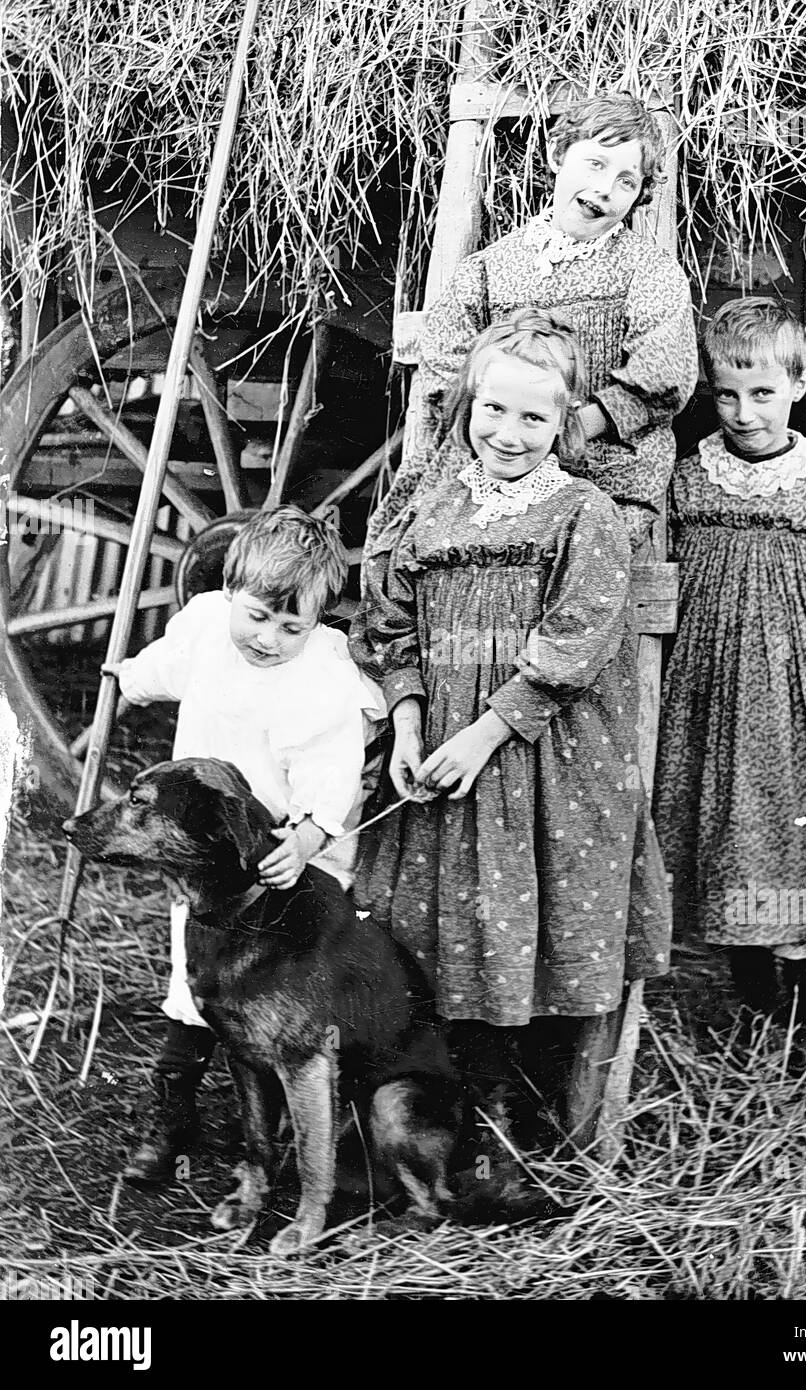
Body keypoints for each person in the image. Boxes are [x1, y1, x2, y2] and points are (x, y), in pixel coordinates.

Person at [351, 310, 671, 1135]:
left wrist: (484, 735)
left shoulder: (581, 513)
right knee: (436, 919)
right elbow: (392, 621)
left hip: (540, 753)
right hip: (439, 747)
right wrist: (413, 725)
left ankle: (514, 1132)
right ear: (466, 403)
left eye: (534, 416)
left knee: (527, 915)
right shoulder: (425, 500)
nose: (510, 432)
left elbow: (575, 642)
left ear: (563, 422)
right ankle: (431, 1123)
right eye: (494, 409)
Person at [110, 505, 385, 1182]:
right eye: (258, 616)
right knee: (195, 976)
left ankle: (279, 1124)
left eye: (293, 627)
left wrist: (311, 835)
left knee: (272, 989)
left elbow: (334, 776)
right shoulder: (206, 625)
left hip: (286, 856)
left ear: (317, 623)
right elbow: (165, 667)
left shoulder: (321, 677)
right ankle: (172, 1108)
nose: (269, 638)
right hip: (207, 856)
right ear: (231, 589)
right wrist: (129, 679)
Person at [653, 298, 806, 1032]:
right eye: (726, 393)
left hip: (799, 710)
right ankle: (755, 1008)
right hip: (704, 703)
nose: (743, 411)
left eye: (762, 393)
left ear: (798, 383)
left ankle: (802, 1018)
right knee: (723, 844)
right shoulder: (686, 483)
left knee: (799, 845)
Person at [364, 90, 697, 571]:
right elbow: (445, 370)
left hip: (600, 468)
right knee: (416, 549)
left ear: (640, 194)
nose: (605, 189)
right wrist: (498, 432)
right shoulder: (489, 270)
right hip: (493, 455)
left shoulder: (648, 270)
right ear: (558, 156)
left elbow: (663, 374)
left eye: (626, 181)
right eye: (595, 164)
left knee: (576, 564)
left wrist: (578, 428)